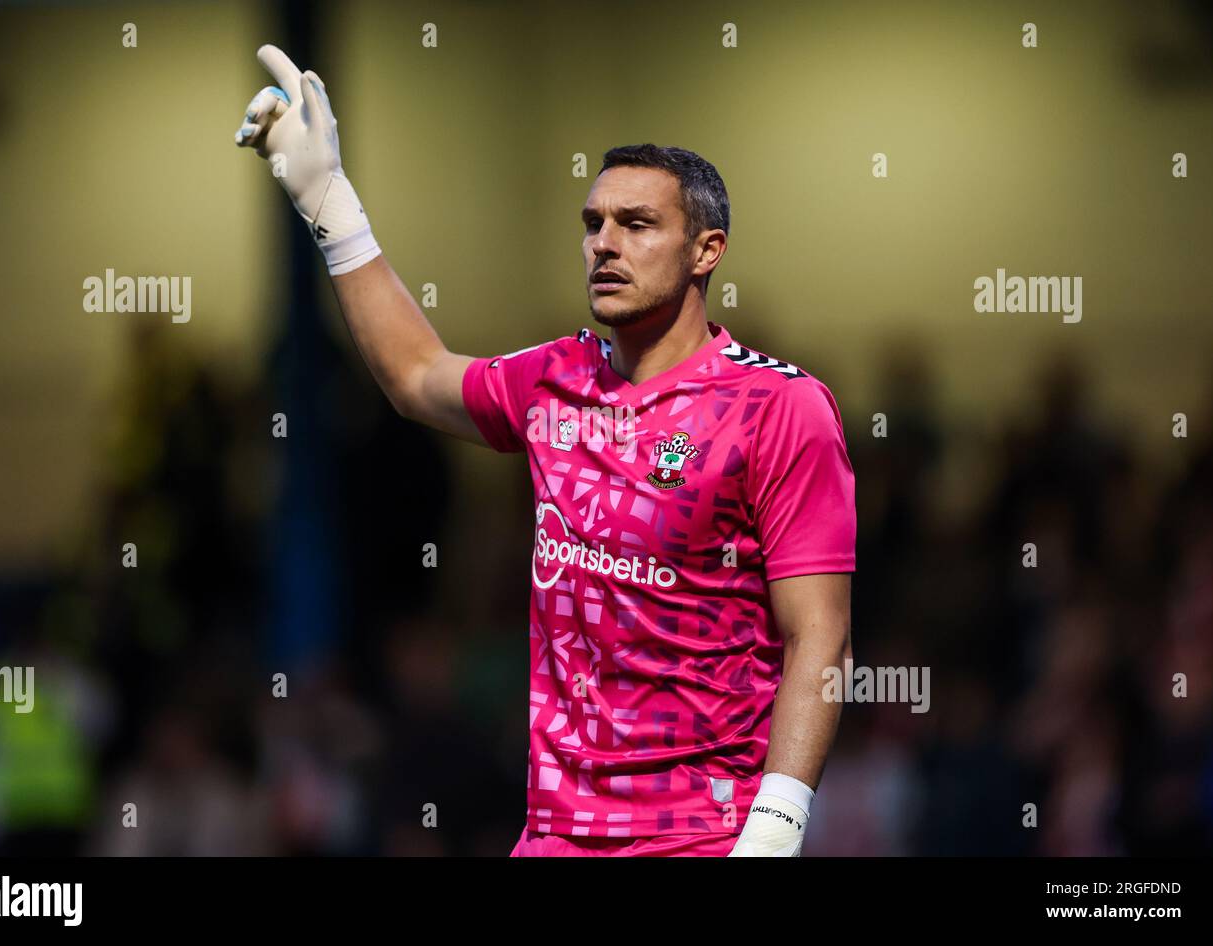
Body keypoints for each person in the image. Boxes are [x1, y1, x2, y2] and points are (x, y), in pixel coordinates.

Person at [235, 45, 857, 856]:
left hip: (703, 836)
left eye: (637, 226)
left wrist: (776, 826)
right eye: (593, 223)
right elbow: (415, 374)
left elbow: (823, 638)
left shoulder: (781, 408)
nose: (604, 243)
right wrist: (328, 201)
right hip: (554, 839)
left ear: (707, 251)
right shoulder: (554, 381)